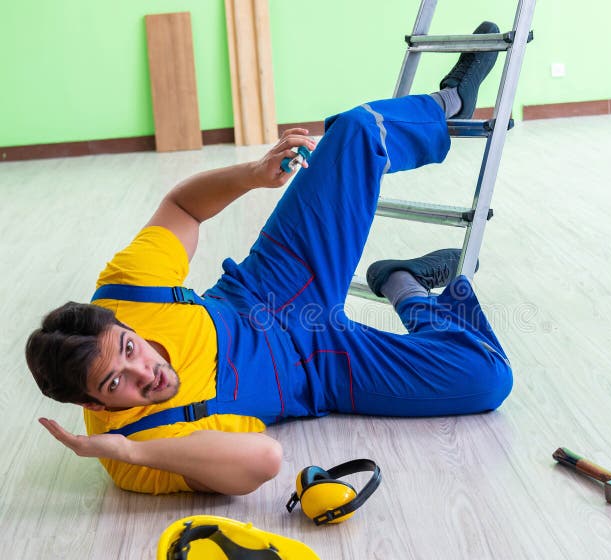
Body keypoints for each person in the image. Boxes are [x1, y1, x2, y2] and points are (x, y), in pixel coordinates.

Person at [26, 22, 513, 496]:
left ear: (121, 325)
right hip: (316, 368)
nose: (145, 372)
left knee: (358, 130)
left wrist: (253, 174)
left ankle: (448, 103)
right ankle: (404, 285)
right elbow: (262, 459)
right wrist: (132, 450)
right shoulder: (138, 450)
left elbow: (182, 207)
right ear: (94, 404)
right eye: (117, 382)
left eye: (130, 348)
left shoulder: (127, 290)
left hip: (272, 283)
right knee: (488, 377)